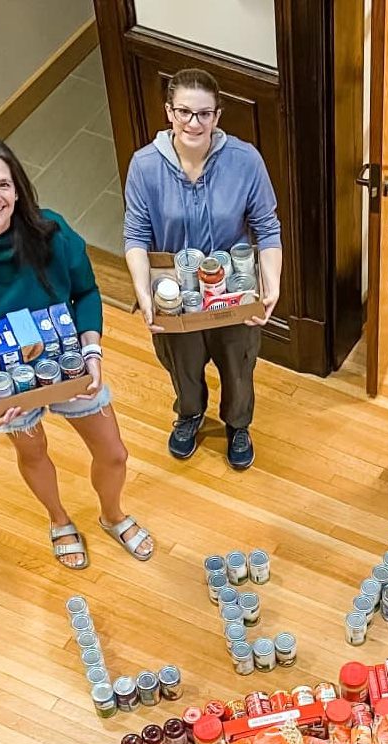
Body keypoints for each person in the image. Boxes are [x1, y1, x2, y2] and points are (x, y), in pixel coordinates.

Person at [0, 137, 153, 569]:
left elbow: (85, 291)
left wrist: (93, 351)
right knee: (32, 451)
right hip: (6, 382)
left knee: (114, 453)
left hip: (69, 364)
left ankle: (112, 515)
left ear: (18, 188)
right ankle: (60, 519)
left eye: (4, 185)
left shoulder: (53, 234)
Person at [123, 67, 282, 471]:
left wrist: (272, 285)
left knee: (239, 366)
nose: (194, 122)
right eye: (185, 112)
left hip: (233, 289)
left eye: (204, 113)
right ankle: (190, 414)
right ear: (169, 113)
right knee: (183, 365)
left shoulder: (246, 161)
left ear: (218, 116)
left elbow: (267, 228)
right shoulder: (144, 166)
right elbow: (136, 236)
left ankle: (238, 424)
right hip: (177, 293)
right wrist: (144, 295)